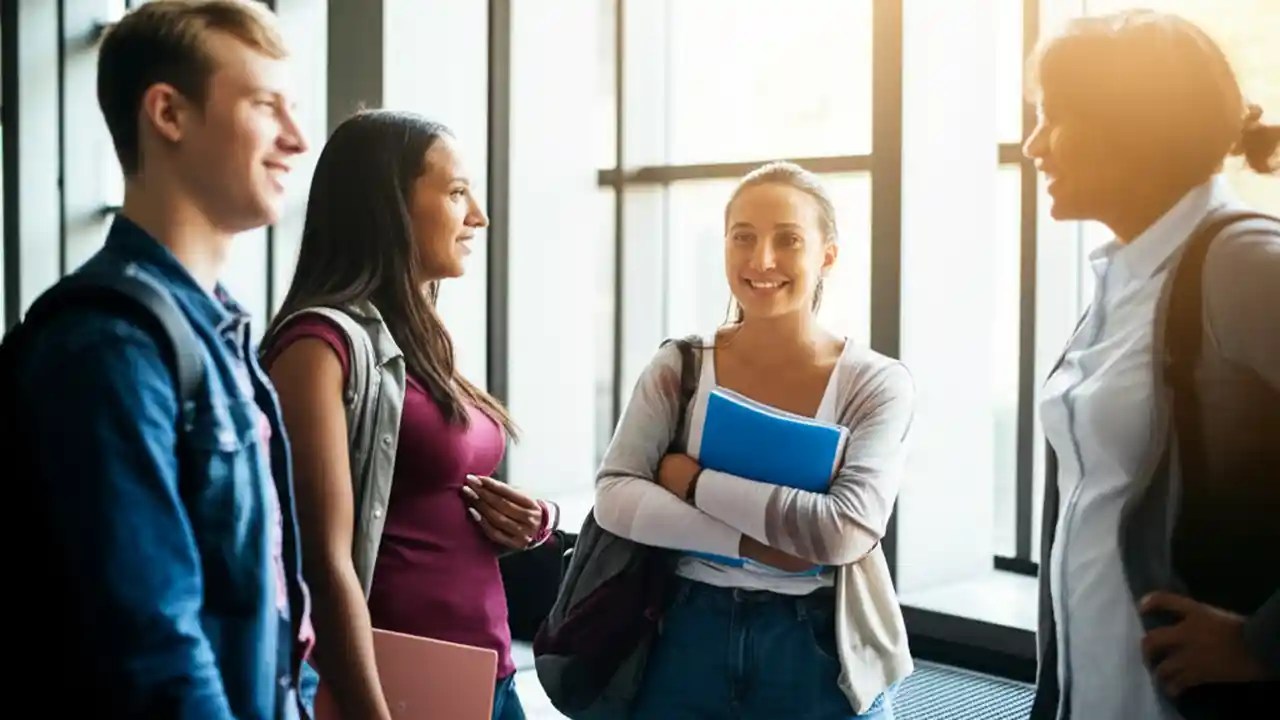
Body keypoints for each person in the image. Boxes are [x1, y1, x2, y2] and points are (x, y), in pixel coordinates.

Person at [7, 1, 312, 718]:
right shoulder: (107, 346)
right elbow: (151, 646)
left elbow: (271, 611)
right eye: (267, 106)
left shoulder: (220, 333)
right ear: (168, 114)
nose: (298, 139)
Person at [1023, 10, 1280, 720]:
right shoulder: (1127, 276)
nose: (1033, 145)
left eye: (1054, 119)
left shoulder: (1243, 265)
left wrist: (1263, 643)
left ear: (1129, 125)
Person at [261, 110, 558, 720]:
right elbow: (322, 557)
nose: (478, 214)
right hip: (397, 686)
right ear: (388, 207)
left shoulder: (420, 340)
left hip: (489, 674)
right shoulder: (319, 346)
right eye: (455, 193)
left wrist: (535, 520)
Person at [592, 161, 915, 719]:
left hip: (817, 639)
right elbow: (615, 496)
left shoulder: (875, 382)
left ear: (827, 257)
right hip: (687, 629)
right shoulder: (681, 366)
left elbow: (846, 530)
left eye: (788, 240)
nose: (761, 260)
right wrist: (752, 546)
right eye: (744, 238)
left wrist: (694, 483)